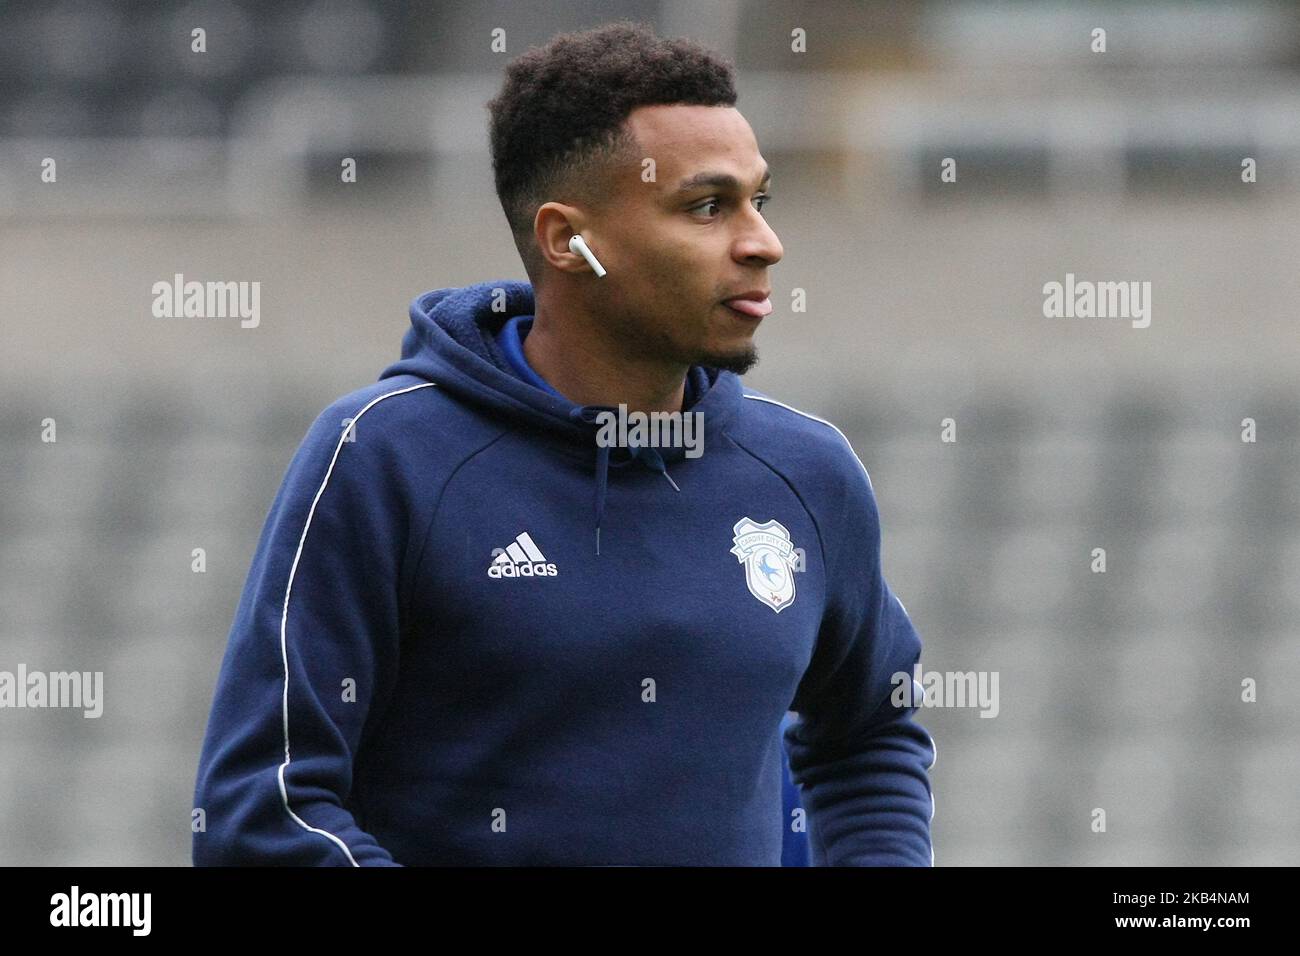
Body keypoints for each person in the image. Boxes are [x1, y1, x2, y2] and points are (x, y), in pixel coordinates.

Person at [193, 20, 935, 866]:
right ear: (566, 241)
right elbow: (265, 810)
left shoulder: (807, 474)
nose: (763, 242)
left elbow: (872, 730)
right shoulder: (383, 459)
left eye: (757, 202)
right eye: (706, 206)